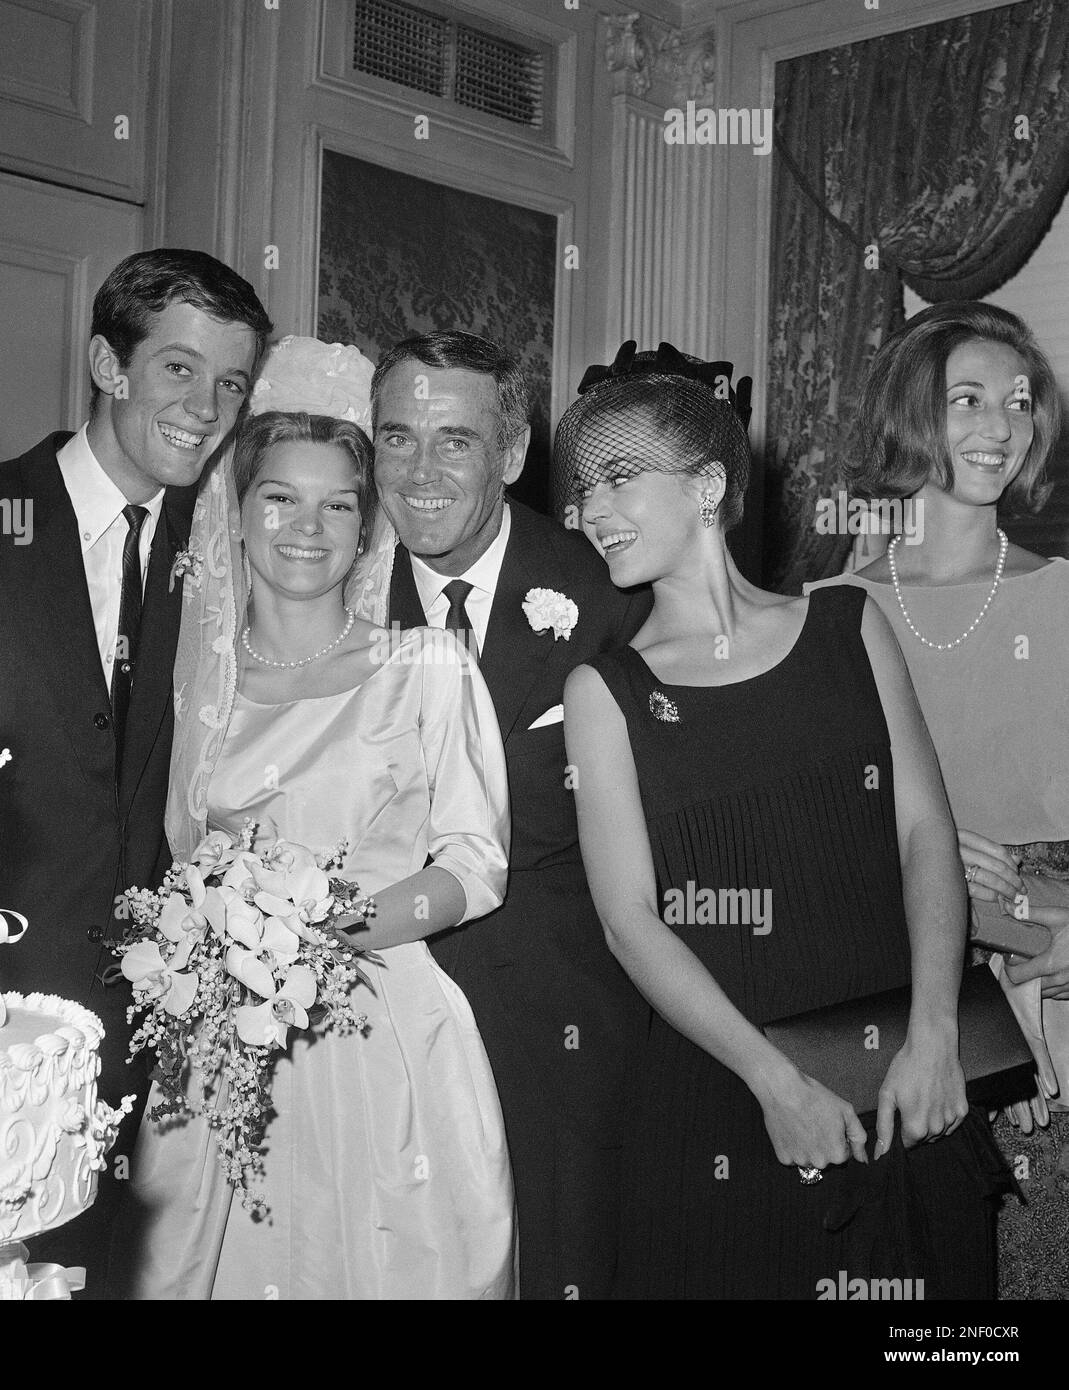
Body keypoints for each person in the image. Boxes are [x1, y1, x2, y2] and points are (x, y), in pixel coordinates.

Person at [561, 342, 1010, 1299]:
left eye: (620, 476)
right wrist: (775, 1084)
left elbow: (924, 837)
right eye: (580, 489)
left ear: (710, 483)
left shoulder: (850, 626)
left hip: (904, 1085)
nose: (590, 509)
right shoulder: (607, 691)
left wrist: (934, 1035)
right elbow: (628, 921)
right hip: (720, 1101)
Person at [0, 248, 272, 1297]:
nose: (206, 408)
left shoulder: (217, 558)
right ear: (109, 366)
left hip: (130, 1058)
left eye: (232, 383)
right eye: (179, 370)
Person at [124, 337, 516, 1300]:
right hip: (219, 1042)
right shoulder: (190, 689)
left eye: (339, 502)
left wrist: (317, 944)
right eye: (281, 499)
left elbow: (475, 867)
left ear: (366, 521)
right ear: (239, 514)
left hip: (385, 1034)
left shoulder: (426, 665)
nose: (309, 527)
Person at [371, 330, 650, 1299]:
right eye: (396, 438)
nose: (419, 471)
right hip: (377, 1041)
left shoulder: (608, 593)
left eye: (454, 441)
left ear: (515, 453)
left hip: (556, 1045)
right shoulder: (331, 590)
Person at [810, 301, 1069, 1299]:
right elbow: (803, 848)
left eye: (1020, 403)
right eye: (969, 399)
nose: (1001, 427)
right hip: (889, 1025)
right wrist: (914, 852)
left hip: (1045, 1023)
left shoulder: (1059, 601)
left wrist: (1041, 936)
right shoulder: (834, 613)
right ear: (913, 411)